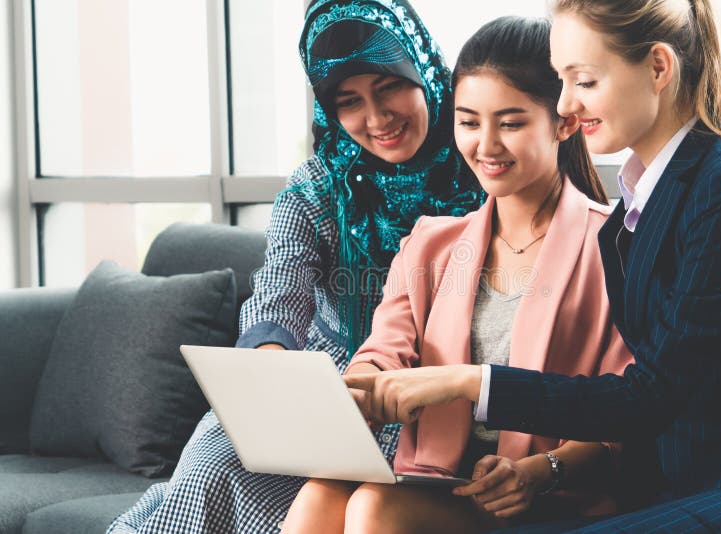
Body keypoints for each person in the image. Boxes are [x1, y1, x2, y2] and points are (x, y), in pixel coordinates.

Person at [345, 0, 721, 531]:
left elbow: (650, 395)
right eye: (561, 80)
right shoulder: (647, 201)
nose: (566, 103)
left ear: (658, 67)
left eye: (583, 81)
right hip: (685, 480)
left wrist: (474, 386)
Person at [106, 1, 482, 532]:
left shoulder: (484, 162)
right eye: (349, 101)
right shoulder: (318, 188)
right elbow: (278, 293)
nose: (376, 119)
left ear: (418, 64)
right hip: (321, 395)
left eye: (387, 86)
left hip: (429, 399)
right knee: (214, 464)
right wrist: (271, 366)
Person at [282, 16, 634, 534]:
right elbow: (384, 352)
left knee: (374, 509)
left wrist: (538, 472)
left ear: (563, 121)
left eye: (510, 124)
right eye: (468, 122)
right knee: (321, 494)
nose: (486, 146)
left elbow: (626, 409)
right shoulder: (431, 242)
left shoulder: (618, 248)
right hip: (439, 481)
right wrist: (360, 390)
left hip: (548, 493)